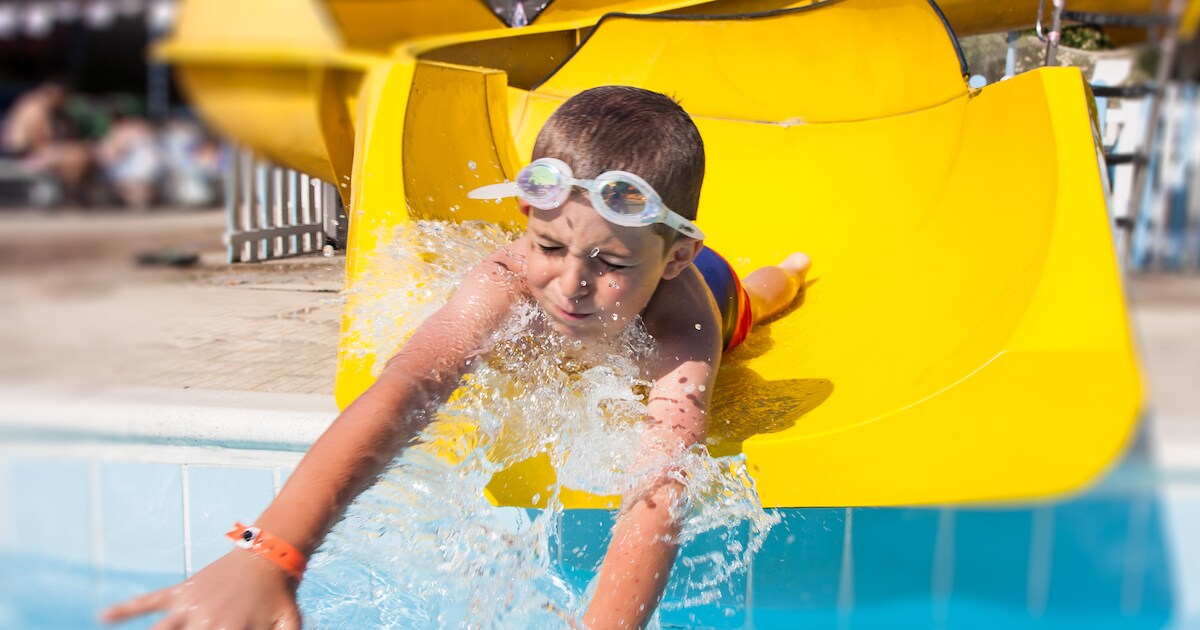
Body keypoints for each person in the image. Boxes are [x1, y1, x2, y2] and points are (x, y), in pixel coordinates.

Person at [101, 85, 810, 629]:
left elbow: (660, 482)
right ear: (526, 222)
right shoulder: (503, 282)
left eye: (610, 261)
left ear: (672, 255)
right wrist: (274, 549)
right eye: (551, 246)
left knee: (761, 295)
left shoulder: (683, 314)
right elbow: (407, 384)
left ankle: (792, 269)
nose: (571, 284)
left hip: (721, 288)